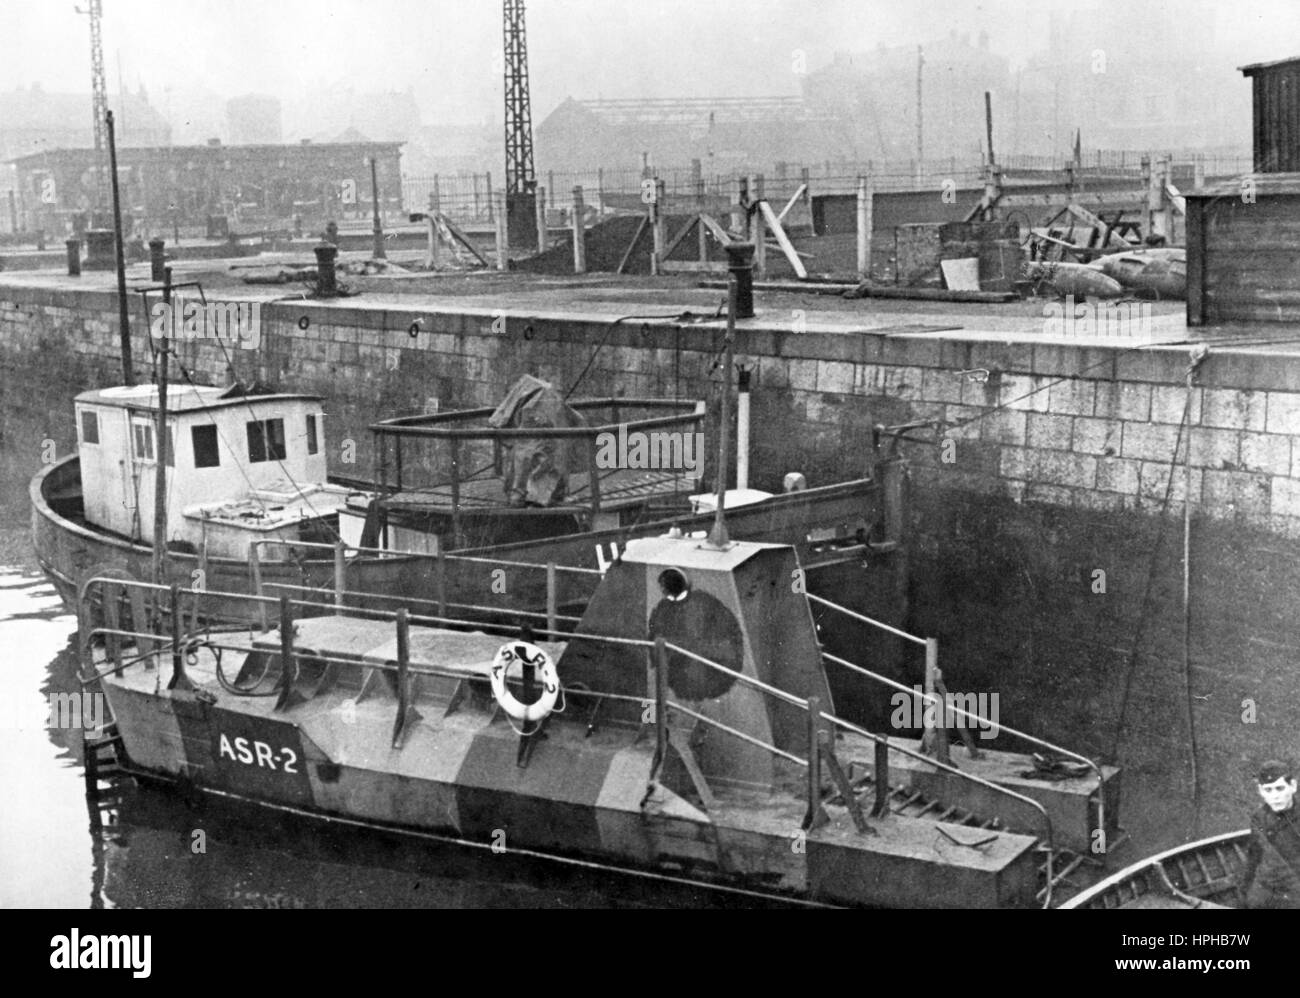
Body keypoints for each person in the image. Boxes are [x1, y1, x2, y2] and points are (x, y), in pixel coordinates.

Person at [1239, 759, 1300, 908]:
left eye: (1280, 788)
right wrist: (1243, 893)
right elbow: (1254, 857)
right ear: (1260, 791)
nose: (1275, 796)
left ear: (1293, 786)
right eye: (1268, 790)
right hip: (1272, 888)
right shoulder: (1259, 818)